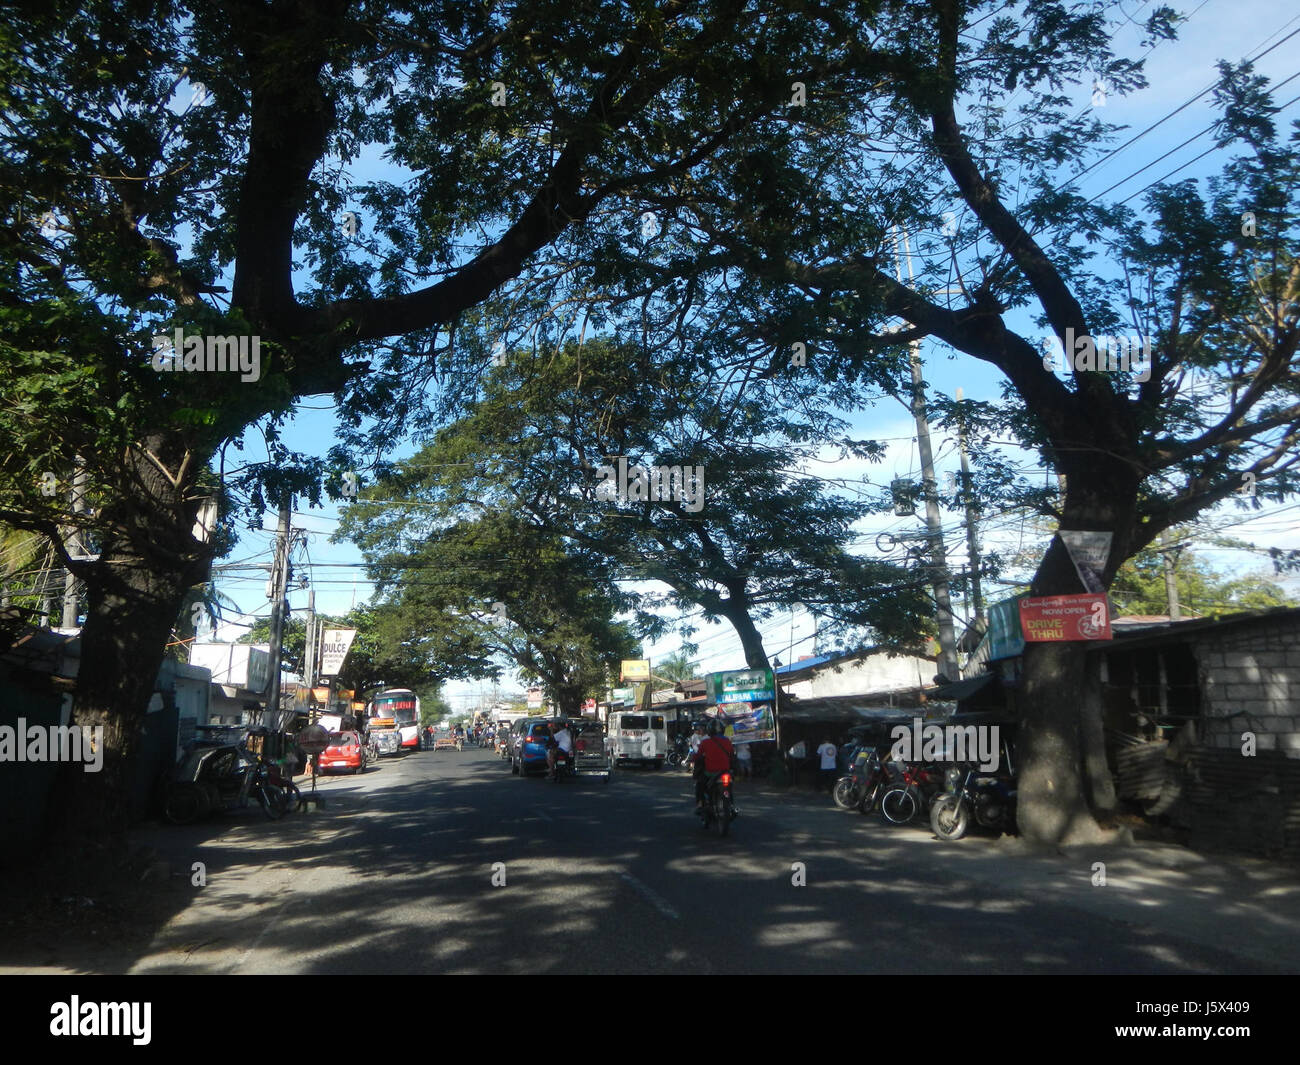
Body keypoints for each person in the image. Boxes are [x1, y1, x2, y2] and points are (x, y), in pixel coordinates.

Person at [694, 720, 735, 811]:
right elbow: (732, 755)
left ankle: (700, 803)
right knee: (729, 788)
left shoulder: (705, 742)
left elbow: (698, 756)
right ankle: (731, 805)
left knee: (699, 784)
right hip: (725, 771)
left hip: (710, 772)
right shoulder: (727, 741)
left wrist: (694, 758)